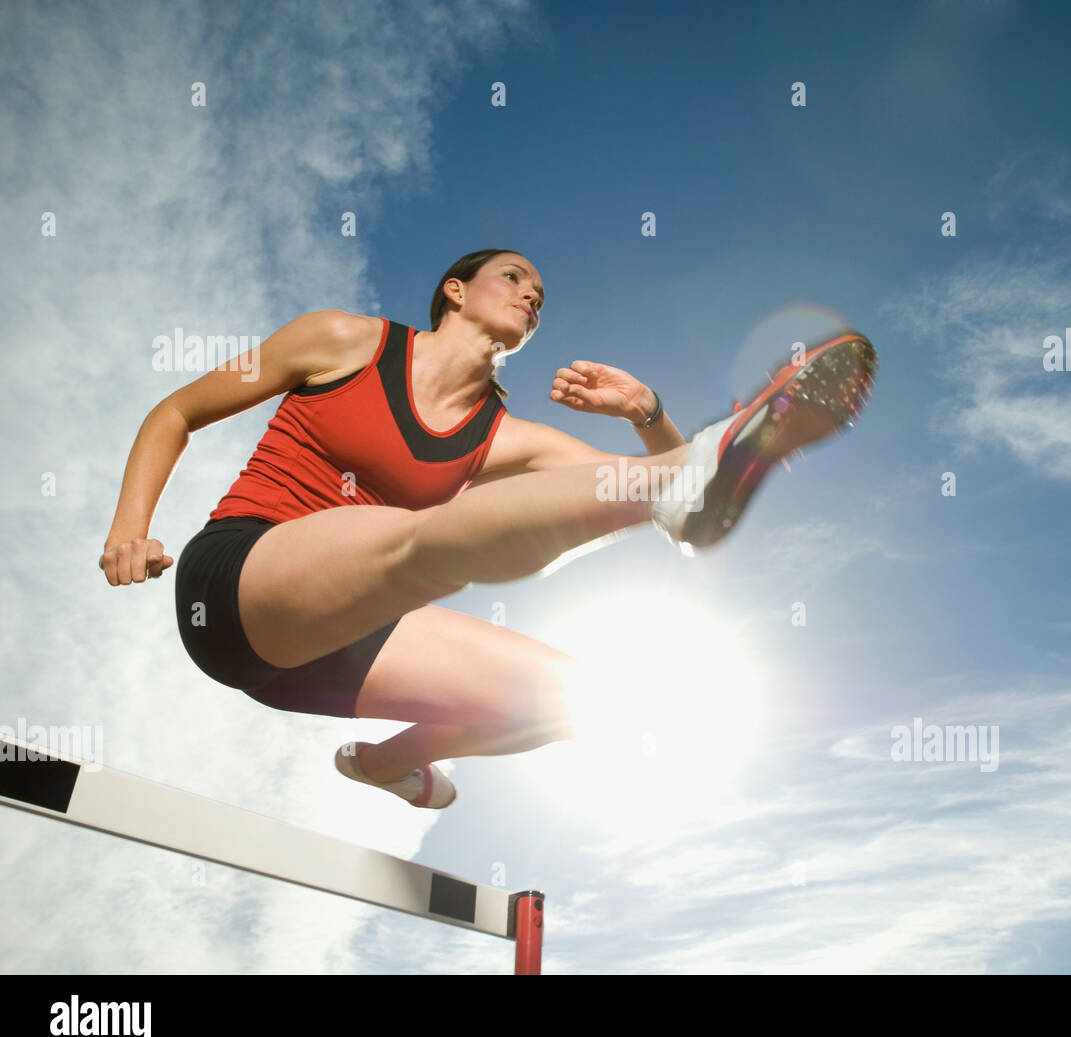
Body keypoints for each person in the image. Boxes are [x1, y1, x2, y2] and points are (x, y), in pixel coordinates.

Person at [100, 249, 876, 809]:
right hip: (237, 586)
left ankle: (384, 765)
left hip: (336, 647)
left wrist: (647, 412)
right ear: (454, 290)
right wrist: (129, 528)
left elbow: (658, 502)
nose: (532, 297)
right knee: (429, 541)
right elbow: (178, 412)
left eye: (541, 296)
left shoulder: (505, 436)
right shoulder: (342, 340)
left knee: (568, 697)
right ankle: (393, 742)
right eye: (515, 278)